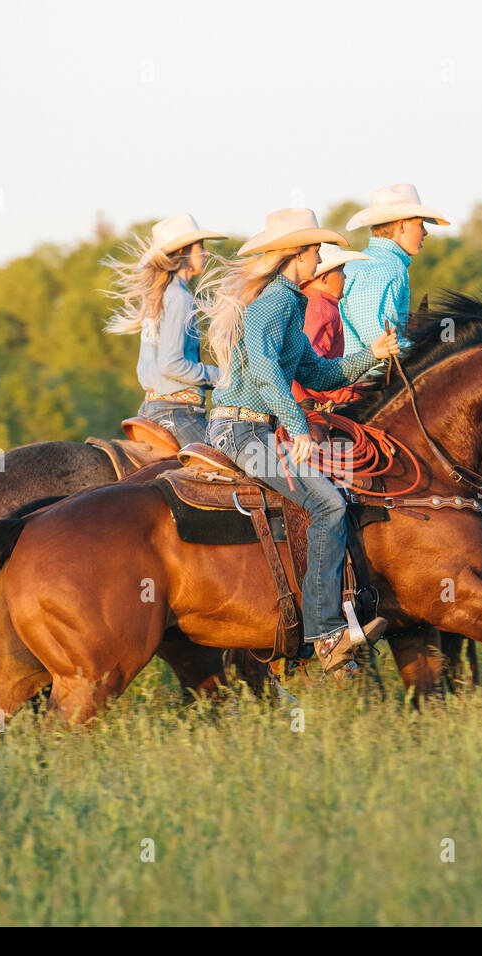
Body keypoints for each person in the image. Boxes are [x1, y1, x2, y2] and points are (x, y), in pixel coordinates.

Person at [202, 208, 400, 673]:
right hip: (241, 430)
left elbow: (316, 371)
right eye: (314, 251)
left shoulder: (289, 302)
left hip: (252, 425)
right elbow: (269, 374)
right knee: (328, 504)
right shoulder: (272, 302)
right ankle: (326, 631)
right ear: (295, 254)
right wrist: (295, 424)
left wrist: (370, 356)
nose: (320, 259)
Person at [105, 212, 226, 446]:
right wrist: (223, 376)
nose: (206, 253)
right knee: (235, 466)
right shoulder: (179, 297)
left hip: (150, 409)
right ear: (182, 252)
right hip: (178, 413)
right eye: (200, 247)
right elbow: (172, 365)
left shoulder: (157, 296)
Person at [340, 183, 450, 380]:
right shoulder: (387, 266)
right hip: (366, 384)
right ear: (401, 225)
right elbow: (377, 335)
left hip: (352, 376)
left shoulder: (364, 261)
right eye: (420, 224)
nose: (425, 232)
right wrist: (428, 353)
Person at [291, 244, 370, 408]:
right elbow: (312, 372)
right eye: (341, 270)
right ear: (324, 277)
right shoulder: (321, 308)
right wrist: (355, 393)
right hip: (312, 404)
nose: (345, 276)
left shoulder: (308, 303)